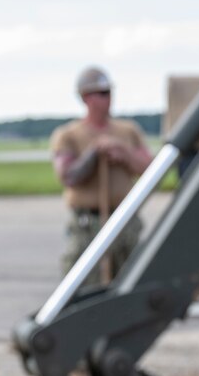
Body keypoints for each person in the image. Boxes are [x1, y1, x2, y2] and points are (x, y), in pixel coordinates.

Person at [49, 66, 153, 286]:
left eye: (109, 93)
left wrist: (124, 153)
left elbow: (150, 168)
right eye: (102, 94)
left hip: (125, 221)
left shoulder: (127, 131)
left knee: (132, 281)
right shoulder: (69, 135)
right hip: (89, 225)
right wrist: (93, 154)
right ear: (86, 98)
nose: (109, 99)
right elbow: (68, 176)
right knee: (85, 286)